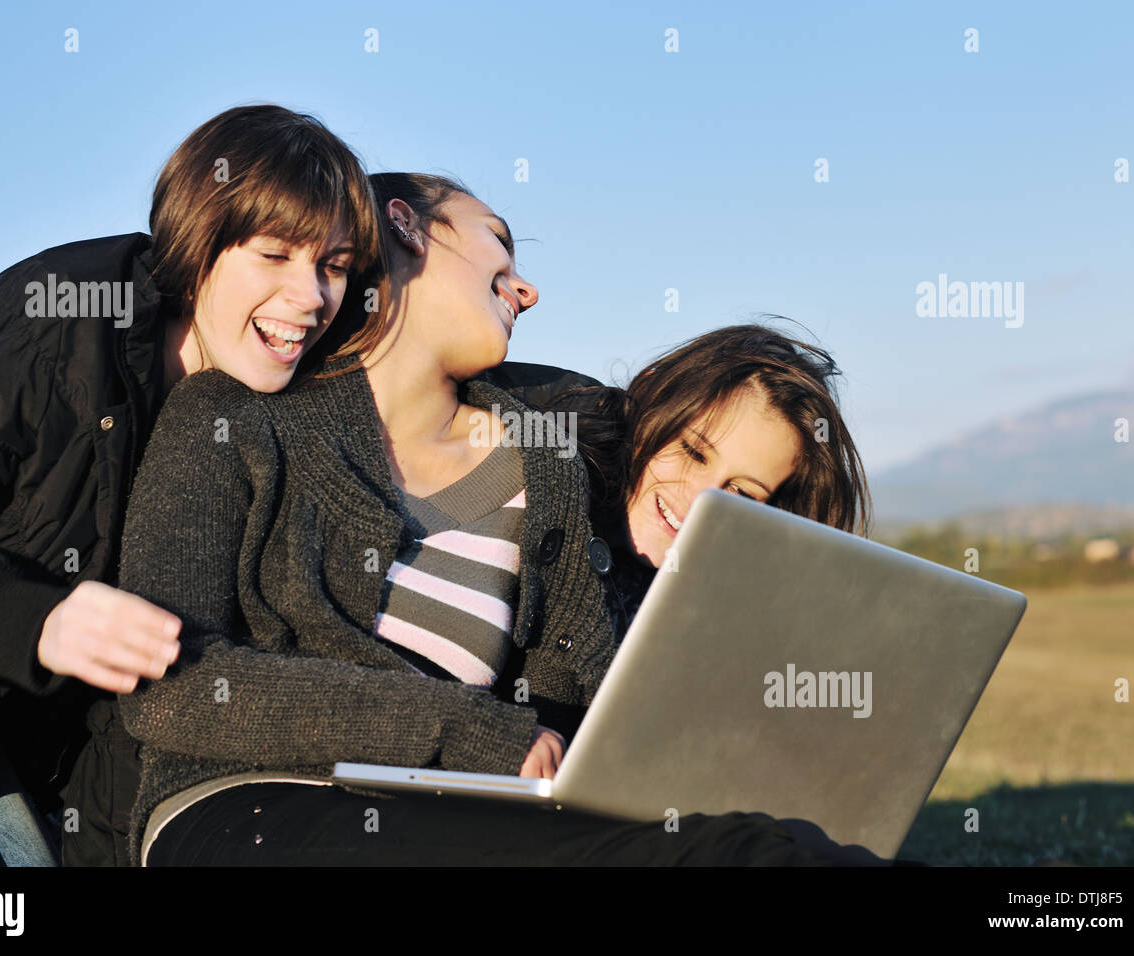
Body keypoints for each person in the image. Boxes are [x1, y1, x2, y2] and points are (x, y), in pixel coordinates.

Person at [113, 173, 871, 866]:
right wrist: (465, 731)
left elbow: (614, 643)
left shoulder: (551, 465)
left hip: (470, 815)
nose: (531, 289)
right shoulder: (231, 417)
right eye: (500, 243)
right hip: (249, 811)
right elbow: (170, 685)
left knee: (778, 847)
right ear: (407, 227)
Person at [0, 103, 381, 866]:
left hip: (17, 763)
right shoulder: (53, 327)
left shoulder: (274, 396)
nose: (310, 297)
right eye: (275, 255)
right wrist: (28, 620)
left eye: (334, 266)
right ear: (199, 244)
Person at [539, 324, 872, 638]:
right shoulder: (523, 471)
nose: (701, 500)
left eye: (741, 492)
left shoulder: (722, 614)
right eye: (693, 452)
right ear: (646, 392)